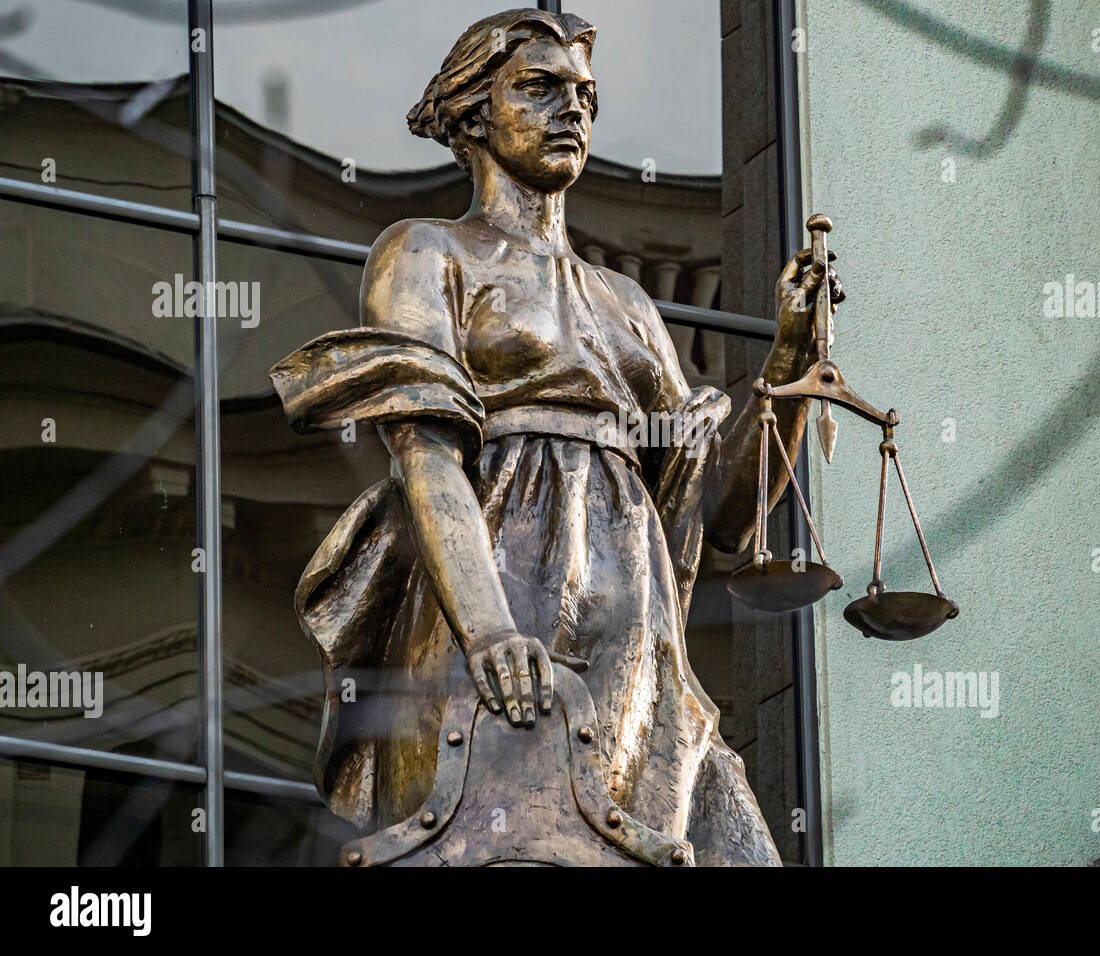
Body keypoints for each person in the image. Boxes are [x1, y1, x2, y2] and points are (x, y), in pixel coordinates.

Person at [271, 7, 843, 865]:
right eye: (538, 89)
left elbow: (725, 514)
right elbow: (425, 453)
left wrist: (793, 364)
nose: (571, 110)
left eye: (585, 95)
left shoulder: (627, 304)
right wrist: (489, 630)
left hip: (633, 625)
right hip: (498, 597)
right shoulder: (425, 253)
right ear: (474, 114)